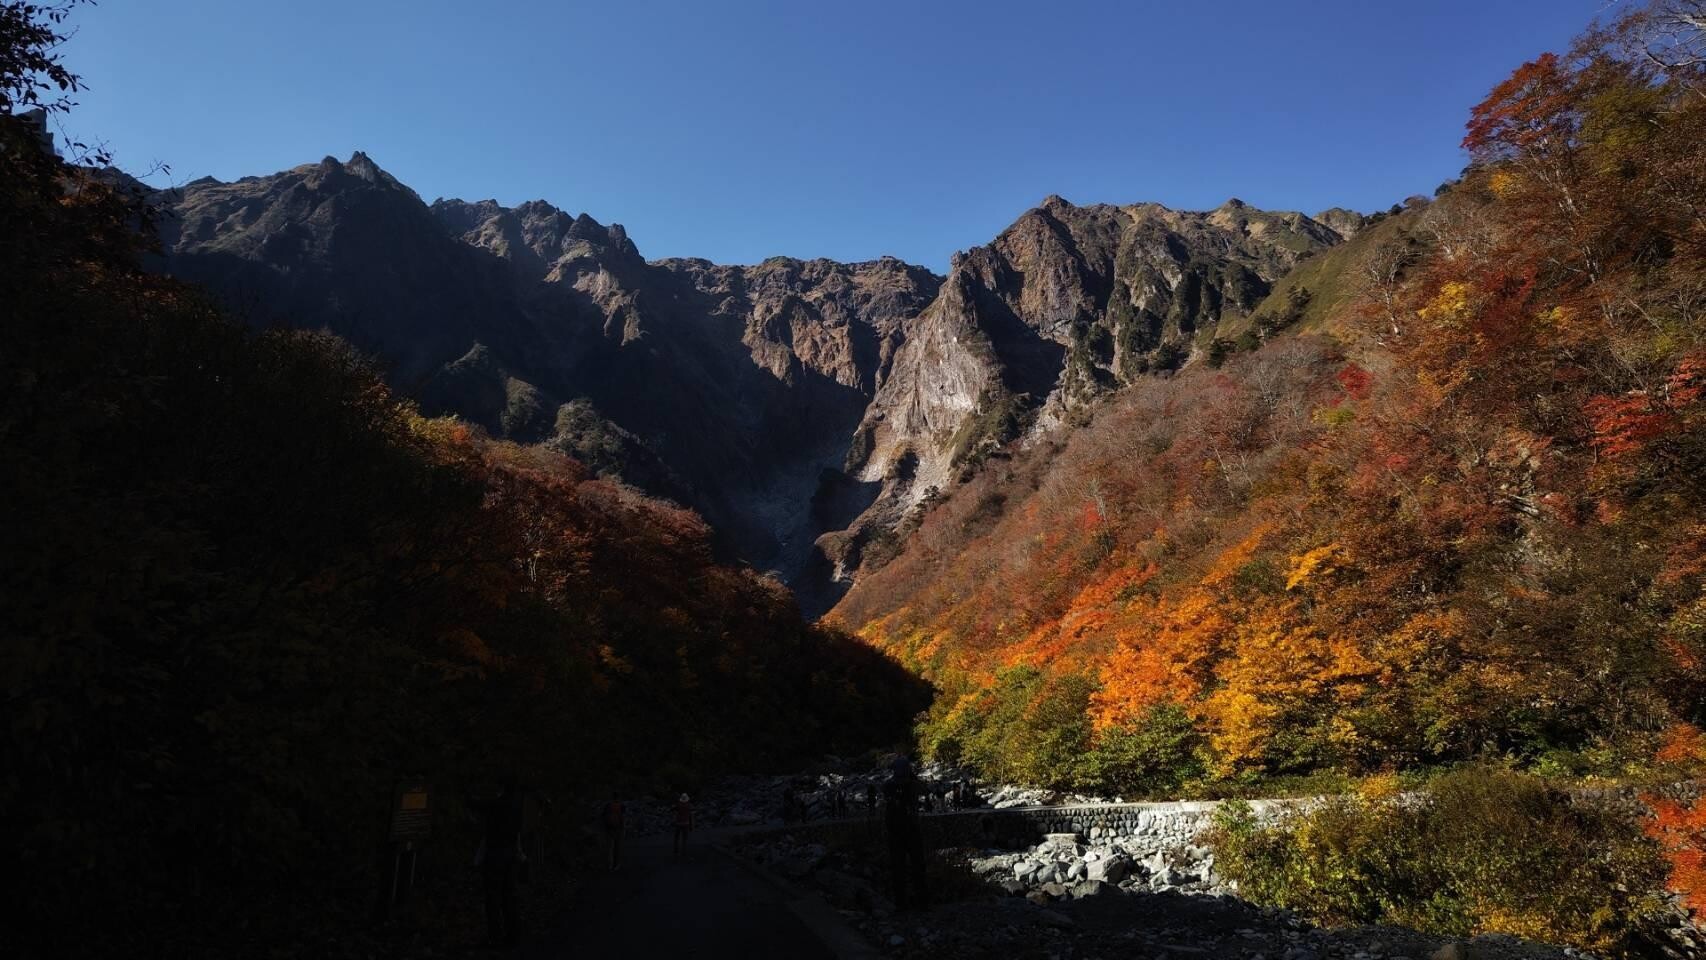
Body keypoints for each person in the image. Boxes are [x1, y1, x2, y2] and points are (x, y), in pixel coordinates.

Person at [476, 775, 526, 947]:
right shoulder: (517, 806)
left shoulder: (496, 805)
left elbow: (477, 805)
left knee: (493, 896)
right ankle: (514, 933)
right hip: (511, 854)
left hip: (496, 854)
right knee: (509, 895)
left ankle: (495, 935)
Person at [882, 757, 928, 911]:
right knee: (918, 866)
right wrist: (913, 777)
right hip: (912, 829)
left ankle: (901, 902)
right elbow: (926, 790)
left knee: (898, 868)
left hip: (894, 831)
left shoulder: (887, 785)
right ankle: (921, 901)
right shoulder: (913, 785)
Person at [601, 792, 626, 871]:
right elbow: (623, 818)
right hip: (618, 829)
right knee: (617, 848)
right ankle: (616, 865)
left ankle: (609, 865)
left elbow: (603, 817)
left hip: (609, 829)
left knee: (609, 848)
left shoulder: (607, 806)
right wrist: (623, 828)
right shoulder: (622, 806)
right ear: (619, 798)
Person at [672, 793, 695, 858]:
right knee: (684, 839)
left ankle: (676, 851)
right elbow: (691, 816)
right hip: (686, 824)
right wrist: (691, 826)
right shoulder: (689, 806)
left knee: (676, 838)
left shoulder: (678, 805)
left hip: (678, 823)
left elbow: (674, 812)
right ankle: (684, 852)